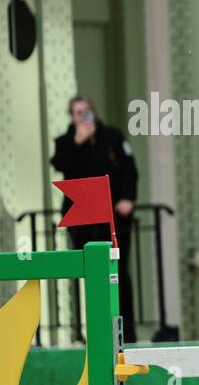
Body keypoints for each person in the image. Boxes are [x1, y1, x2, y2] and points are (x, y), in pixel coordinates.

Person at [50, 95, 139, 342]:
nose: (83, 116)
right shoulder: (66, 142)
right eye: (78, 113)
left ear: (94, 111)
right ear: (72, 116)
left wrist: (128, 199)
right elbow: (59, 164)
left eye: (86, 111)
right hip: (83, 221)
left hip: (114, 219)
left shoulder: (113, 137)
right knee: (88, 273)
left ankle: (126, 332)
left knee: (119, 272)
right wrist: (78, 142)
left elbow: (130, 170)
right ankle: (89, 333)